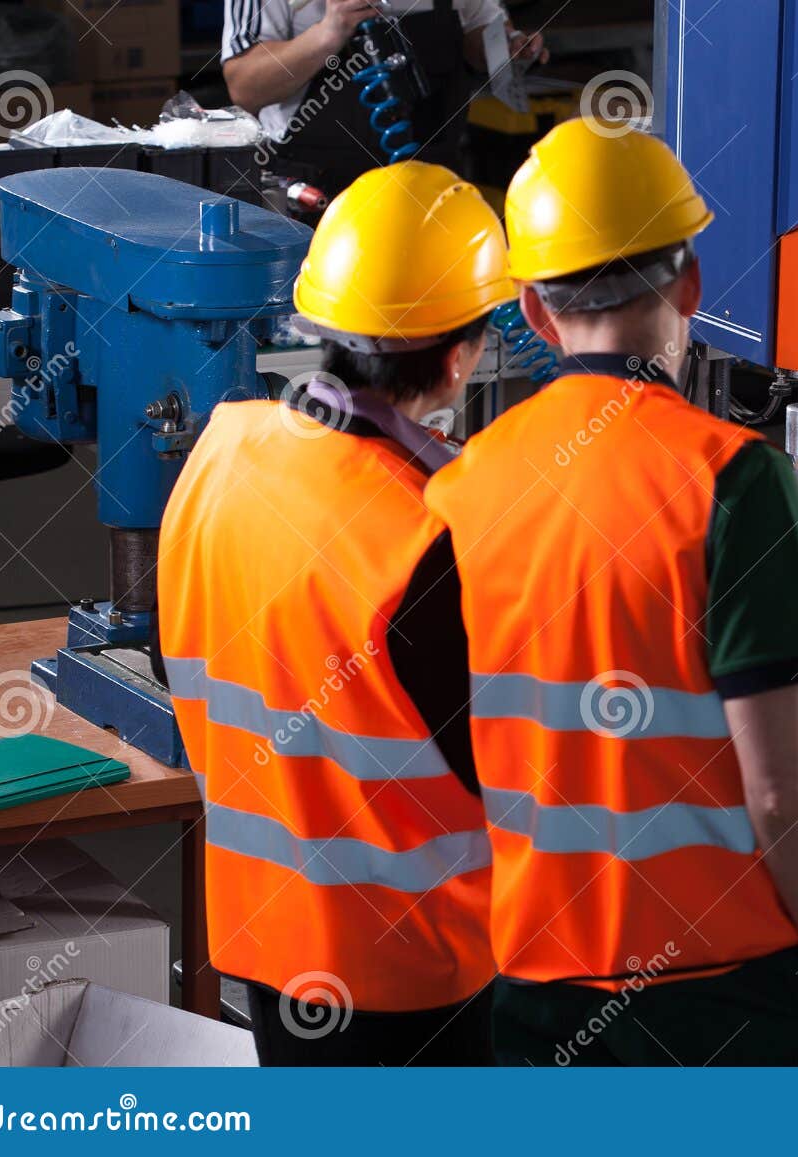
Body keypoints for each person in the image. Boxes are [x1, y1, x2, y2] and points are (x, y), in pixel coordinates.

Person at [423, 119, 798, 1066]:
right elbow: (784, 784)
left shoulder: (462, 484)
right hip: (729, 985)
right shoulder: (734, 478)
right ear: (690, 285)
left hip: (537, 978)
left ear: (535, 312)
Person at [157, 162, 514, 1065]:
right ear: (460, 356)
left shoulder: (222, 451)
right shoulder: (429, 535)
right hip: (416, 970)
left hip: (267, 942)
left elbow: (185, 668)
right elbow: (515, 772)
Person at [222, 0, 546, 197]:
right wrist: (329, 33)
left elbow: (482, 30)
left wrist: (508, 48)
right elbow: (245, 86)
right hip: (319, 193)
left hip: (435, 187)